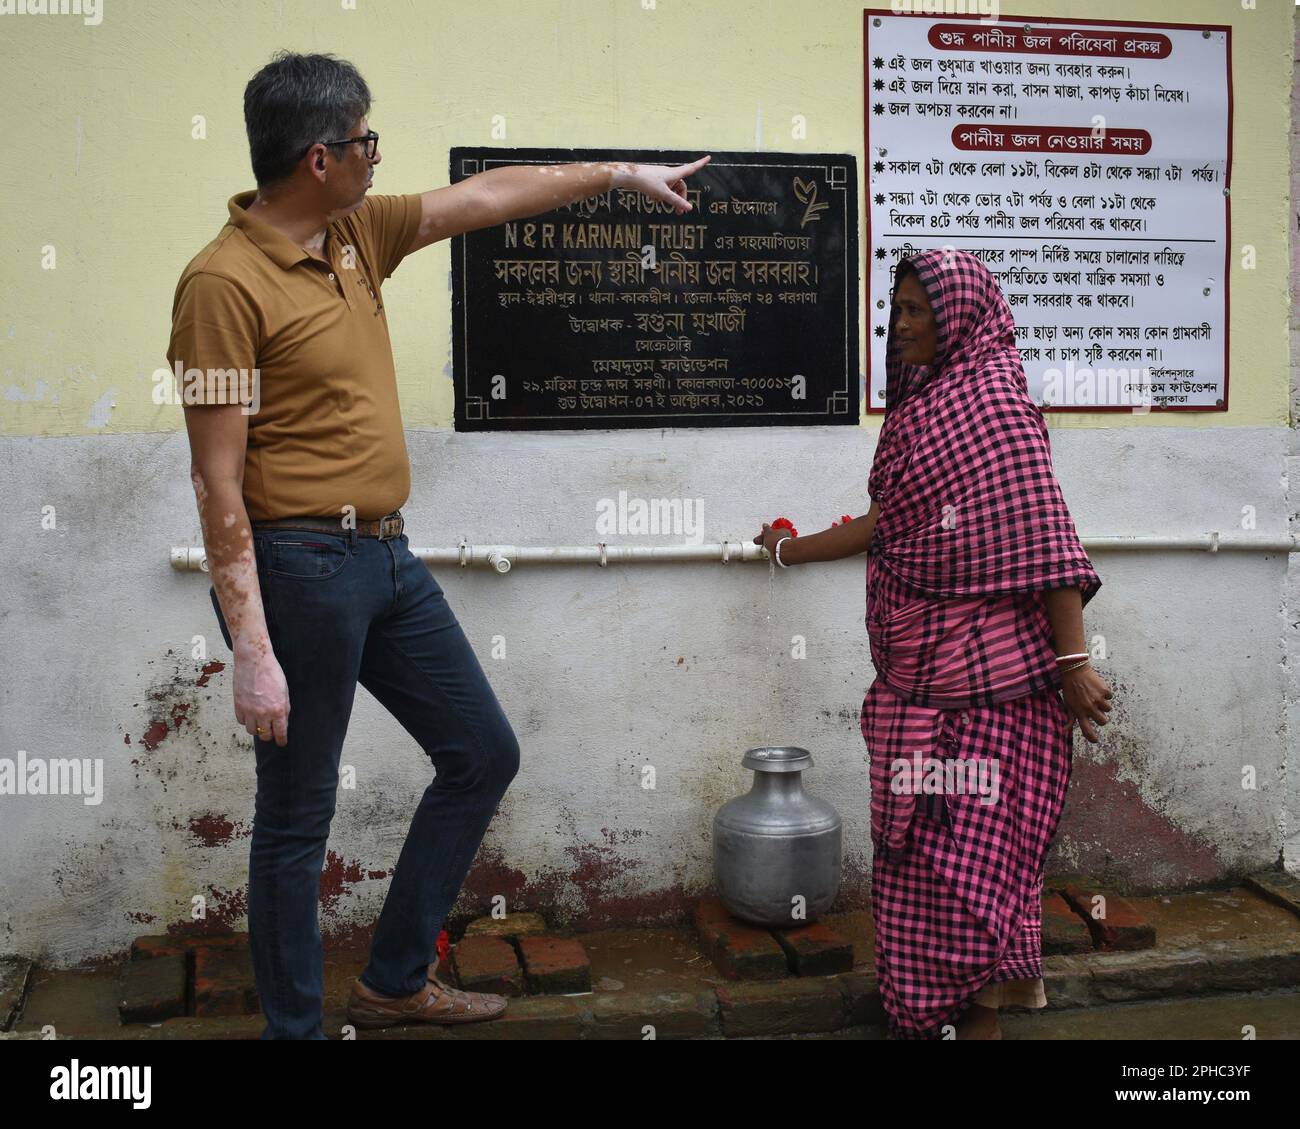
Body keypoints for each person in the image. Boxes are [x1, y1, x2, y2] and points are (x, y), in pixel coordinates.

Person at [168, 50, 710, 1040]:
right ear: (320, 157)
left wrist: (620, 174)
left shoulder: (353, 234)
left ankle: (393, 978)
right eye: (368, 139)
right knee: (296, 819)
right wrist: (250, 644)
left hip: (385, 560)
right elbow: (214, 478)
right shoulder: (221, 284)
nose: (381, 156)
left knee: (479, 750)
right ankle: (293, 1030)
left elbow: (486, 197)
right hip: (298, 571)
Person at [755, 247, 1112, 1040]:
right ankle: (927, 1017)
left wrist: (1074, 662)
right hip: (914, 694)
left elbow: (1046, 537)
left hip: (993, 704)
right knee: (918, 868)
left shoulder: (995, 407)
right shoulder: (920, 409)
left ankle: (976, 1017)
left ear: (960, 317)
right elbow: (885, 524)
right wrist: (788, 547)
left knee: (974, 876)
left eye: (920, 310)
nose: (904, 324)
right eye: (900, 308)